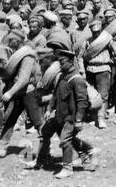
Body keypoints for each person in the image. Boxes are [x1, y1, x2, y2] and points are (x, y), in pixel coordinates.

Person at [27, 41, 93, 178]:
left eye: (63, 63)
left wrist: (79, 120)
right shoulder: (62, 76)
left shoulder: (77, 79)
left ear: (70, 62)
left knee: (65, 140)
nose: (60, 65)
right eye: (60, 63)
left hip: (71, 116)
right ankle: (41, 160)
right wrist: (49, 109)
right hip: (59, 114)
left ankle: (68, 168)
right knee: (45, 131)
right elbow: (55, 95)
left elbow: (82, 102)